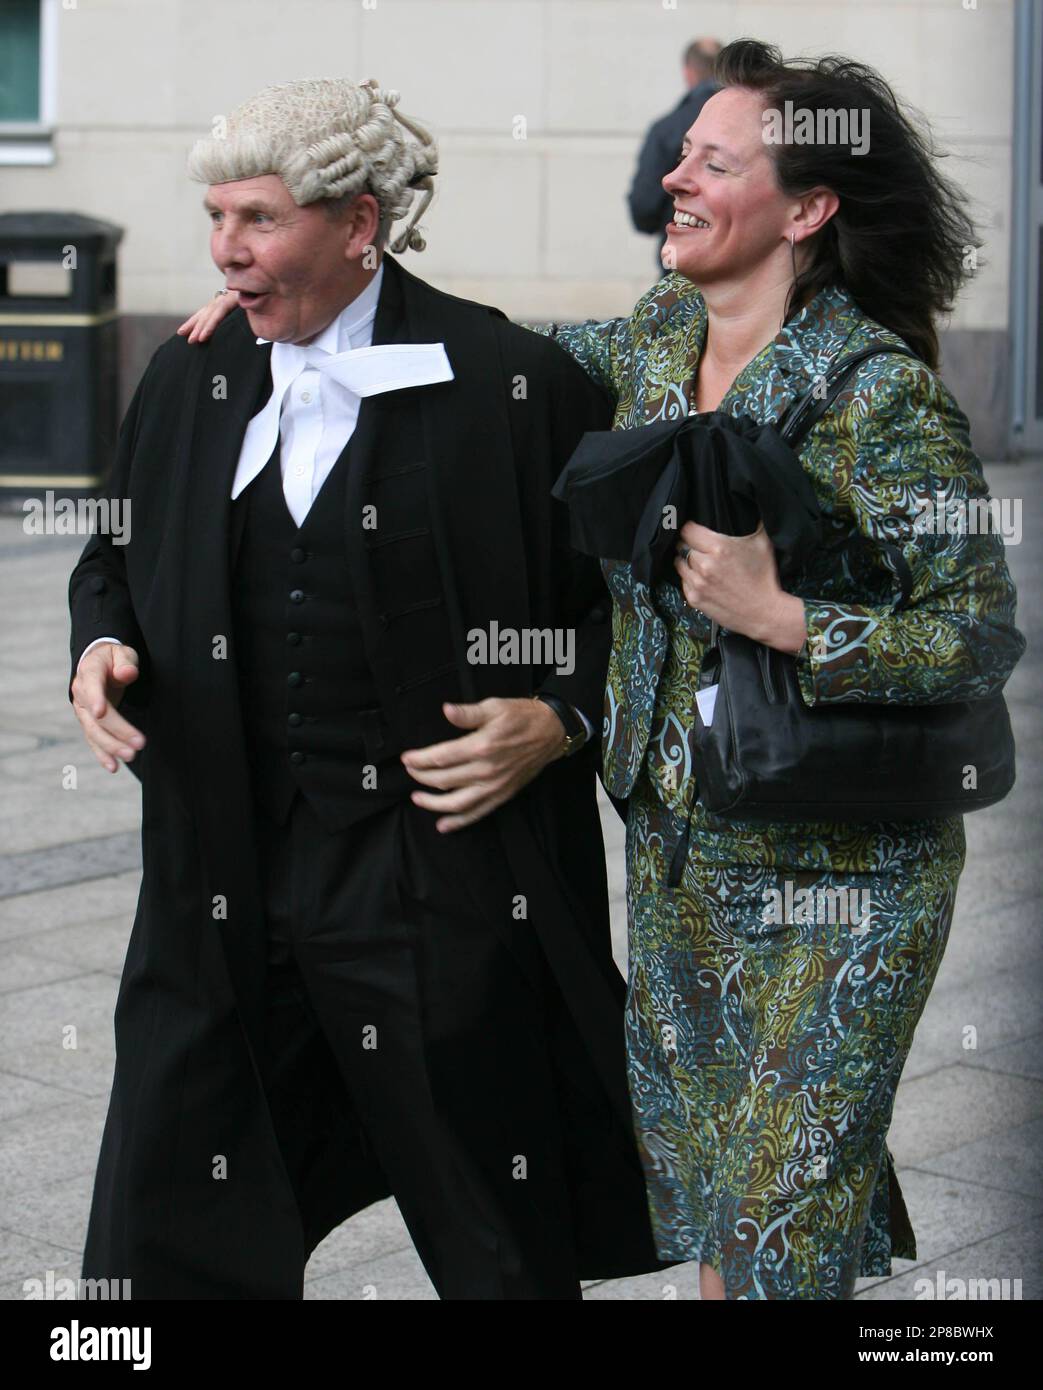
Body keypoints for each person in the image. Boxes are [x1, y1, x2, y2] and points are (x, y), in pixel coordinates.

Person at [181, 41, 1027, 1300]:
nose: (673, 178)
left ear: (806, 208)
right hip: (685, 866)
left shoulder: (879, 394)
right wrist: (295, 304)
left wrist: (779, 612)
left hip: (841, 881)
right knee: (722, 1209)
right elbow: (488, 355)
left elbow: (973, 631)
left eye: (713, 161)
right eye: (681, 150)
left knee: (773, 1220)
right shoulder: (651, 341)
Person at [68, 77, 666, 1300]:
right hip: (221, 869)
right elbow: (110, 551)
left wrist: (559, 717)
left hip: (427, 874)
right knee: (167, 1205)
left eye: (259, 218)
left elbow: (631, 606)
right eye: (216, 217)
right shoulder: (192, 375)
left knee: (489, 1210)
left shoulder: (509, 380)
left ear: (358, 224)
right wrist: (98, 644)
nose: (227, 249)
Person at [627, 37, 721, 267]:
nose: (672, 181)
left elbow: (644, 207)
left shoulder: (667, 128)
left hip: (679, 266)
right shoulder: (752, 126)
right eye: (683, 156)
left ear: (688, 72)